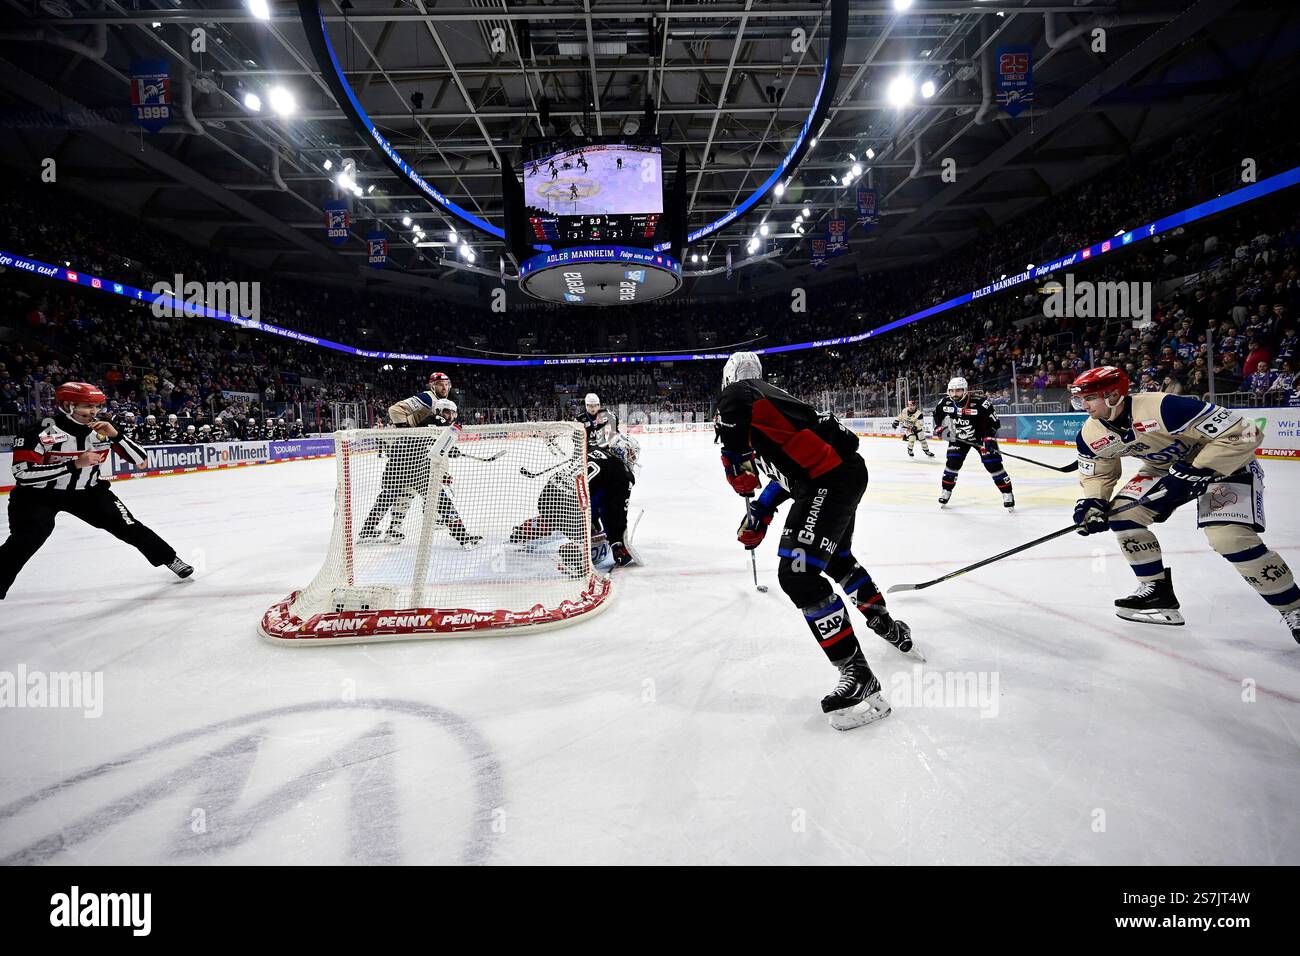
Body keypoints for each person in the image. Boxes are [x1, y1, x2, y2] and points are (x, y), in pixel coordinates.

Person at [716, 351, 921, 730]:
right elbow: (789, 473)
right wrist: (761, 509)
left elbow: (738, 426)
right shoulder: (768, 406)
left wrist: (734, 461)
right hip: (837, 476)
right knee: (836, 558)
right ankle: (885, 622)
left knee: (797, 574)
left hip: (829, 481)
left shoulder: (740, 396)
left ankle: (857, 674)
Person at [1069, 366, 1299, 642]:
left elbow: (1246, 433)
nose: (1083, 405)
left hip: (1224, 467)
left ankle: (1293, 607)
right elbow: (1099, 473)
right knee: (1123, 516)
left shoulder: (1165, 406)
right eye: (1080, 398)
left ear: (1113, 394)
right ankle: (1156, 592)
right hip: (1164, 470)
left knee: (1228, 537)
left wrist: (1197, 469)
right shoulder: (1090, 434)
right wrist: (1093, 503)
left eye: (1089, 397)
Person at [0, 382, 193, 600]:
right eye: (86, 406)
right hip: (37, 496)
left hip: (88, 491)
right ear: (66, 405)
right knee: (27, 537)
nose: (92, 412)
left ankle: (170, 559)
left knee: (128, 526)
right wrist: (72, 465)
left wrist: (116, 435)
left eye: (96, 406)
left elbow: (141, 462)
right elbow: (22, 474)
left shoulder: (102, 429)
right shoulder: (42, 430)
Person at [360, 395, 480, 548]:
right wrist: (454, 439)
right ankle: (463, 537)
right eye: (446, 412)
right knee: (440, 500)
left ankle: (368, 529)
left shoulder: (431, 423)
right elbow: (441, 439)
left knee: (387, 498)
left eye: (452, 413)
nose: (449, 416)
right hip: (412, 470)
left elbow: (435, 444)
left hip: (399, 467)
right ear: (438, 411)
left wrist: (450, 449)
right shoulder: (437, 421)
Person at [510, 432, 640, 570]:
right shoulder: (623, 474)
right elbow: (613, 512)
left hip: (547, 496)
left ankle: (527, 529)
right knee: (596, 534)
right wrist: (617, 543)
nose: (633, 458)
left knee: (561, 512)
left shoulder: (594, 450)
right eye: (631, 453)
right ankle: (575, 552)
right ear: (622, 449)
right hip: (572, 509)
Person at [932, 376, 1014, 509]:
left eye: (958, 391)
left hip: (982, 438)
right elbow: (937, 416)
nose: (954, 394)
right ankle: (946, 490)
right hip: (959, 437)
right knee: (952, 463)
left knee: (993, 465)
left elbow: (995, 424)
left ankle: (1007, 493)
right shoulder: (944, 402)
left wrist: (988, 438)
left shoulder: (981, 403)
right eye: (951, 391)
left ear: (965, 390)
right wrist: (940, 427)